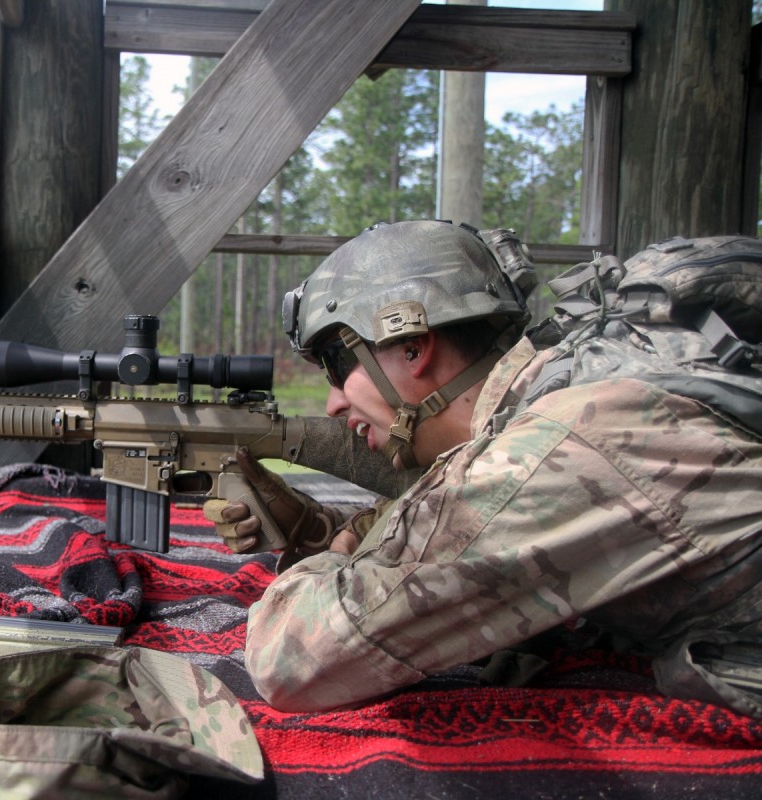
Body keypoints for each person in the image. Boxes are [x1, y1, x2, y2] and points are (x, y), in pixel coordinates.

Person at [205, 220, 762, 718]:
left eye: (336, 365)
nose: (332, 403)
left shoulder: (557, 442)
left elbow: (292, 662)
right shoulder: (580, 381)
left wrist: (337, 552)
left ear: (412, 346)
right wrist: (325, 530)